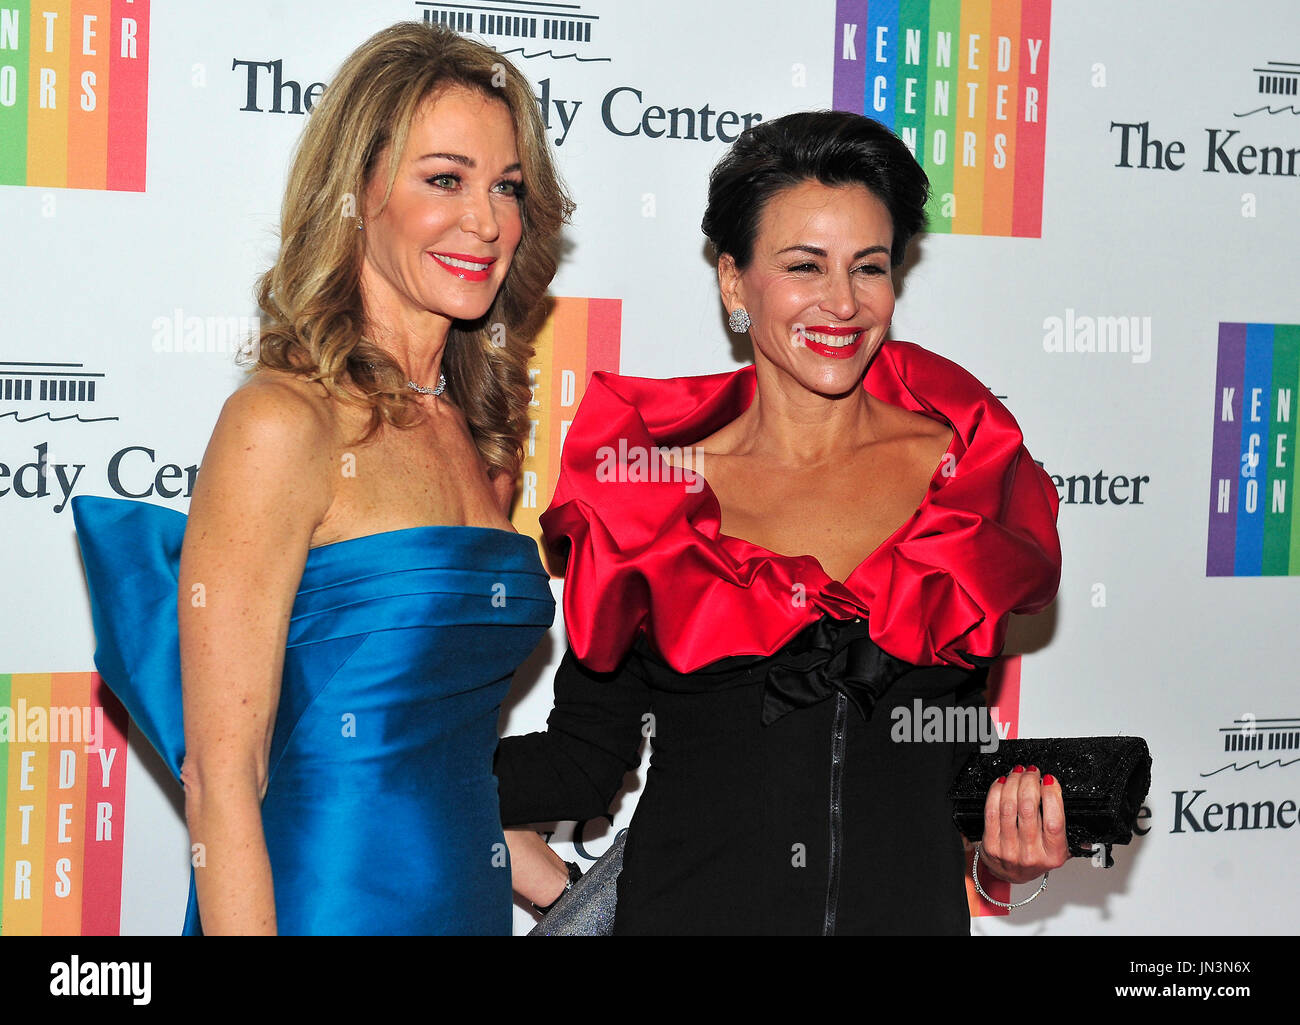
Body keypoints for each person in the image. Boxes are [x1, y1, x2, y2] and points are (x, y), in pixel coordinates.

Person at [495, 110, 1066, 934]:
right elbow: (584, 763)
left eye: (869, 267)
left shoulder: (971, 482)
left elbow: (949, 756)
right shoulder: (649, 500)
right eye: (805, 266)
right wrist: (380, 769)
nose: (842, 301)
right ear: (735, 282)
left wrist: (1005, 856)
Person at [72, 21, 571, 934]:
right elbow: (224, 780)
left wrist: (576, 892)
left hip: (462, 903)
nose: (487, 221)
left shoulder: (478, 433)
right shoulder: (283, 423)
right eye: (444, 179)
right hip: (321, 903)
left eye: (507, 187)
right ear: (357, 192)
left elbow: (433, 752)